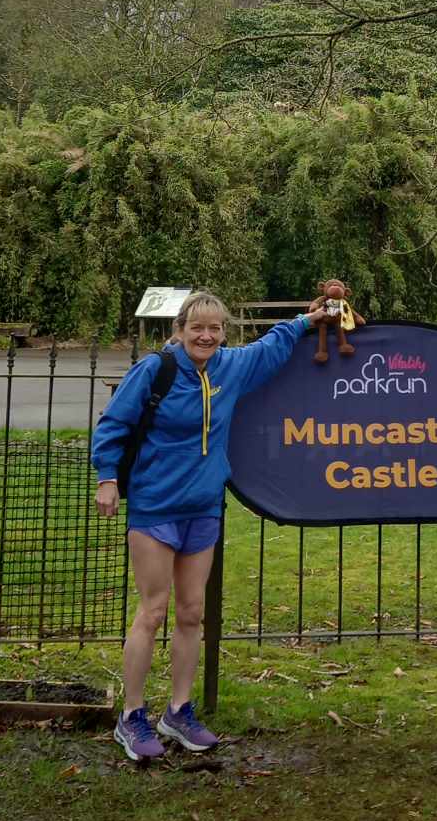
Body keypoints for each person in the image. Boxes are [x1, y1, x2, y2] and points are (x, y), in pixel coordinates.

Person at [93, 291, 313, 762]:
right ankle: (131, 716)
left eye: (215, 328)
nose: (206, 336)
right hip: (156, 508)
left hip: (204, 509)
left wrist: (308, 319)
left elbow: (273, 347)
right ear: (180, 329)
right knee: (152, 612)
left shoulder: (230, 367)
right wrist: (107, 478)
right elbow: (113, 423)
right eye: (198, 327)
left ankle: (179, 711)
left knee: (192, 612)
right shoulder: (157, 370)